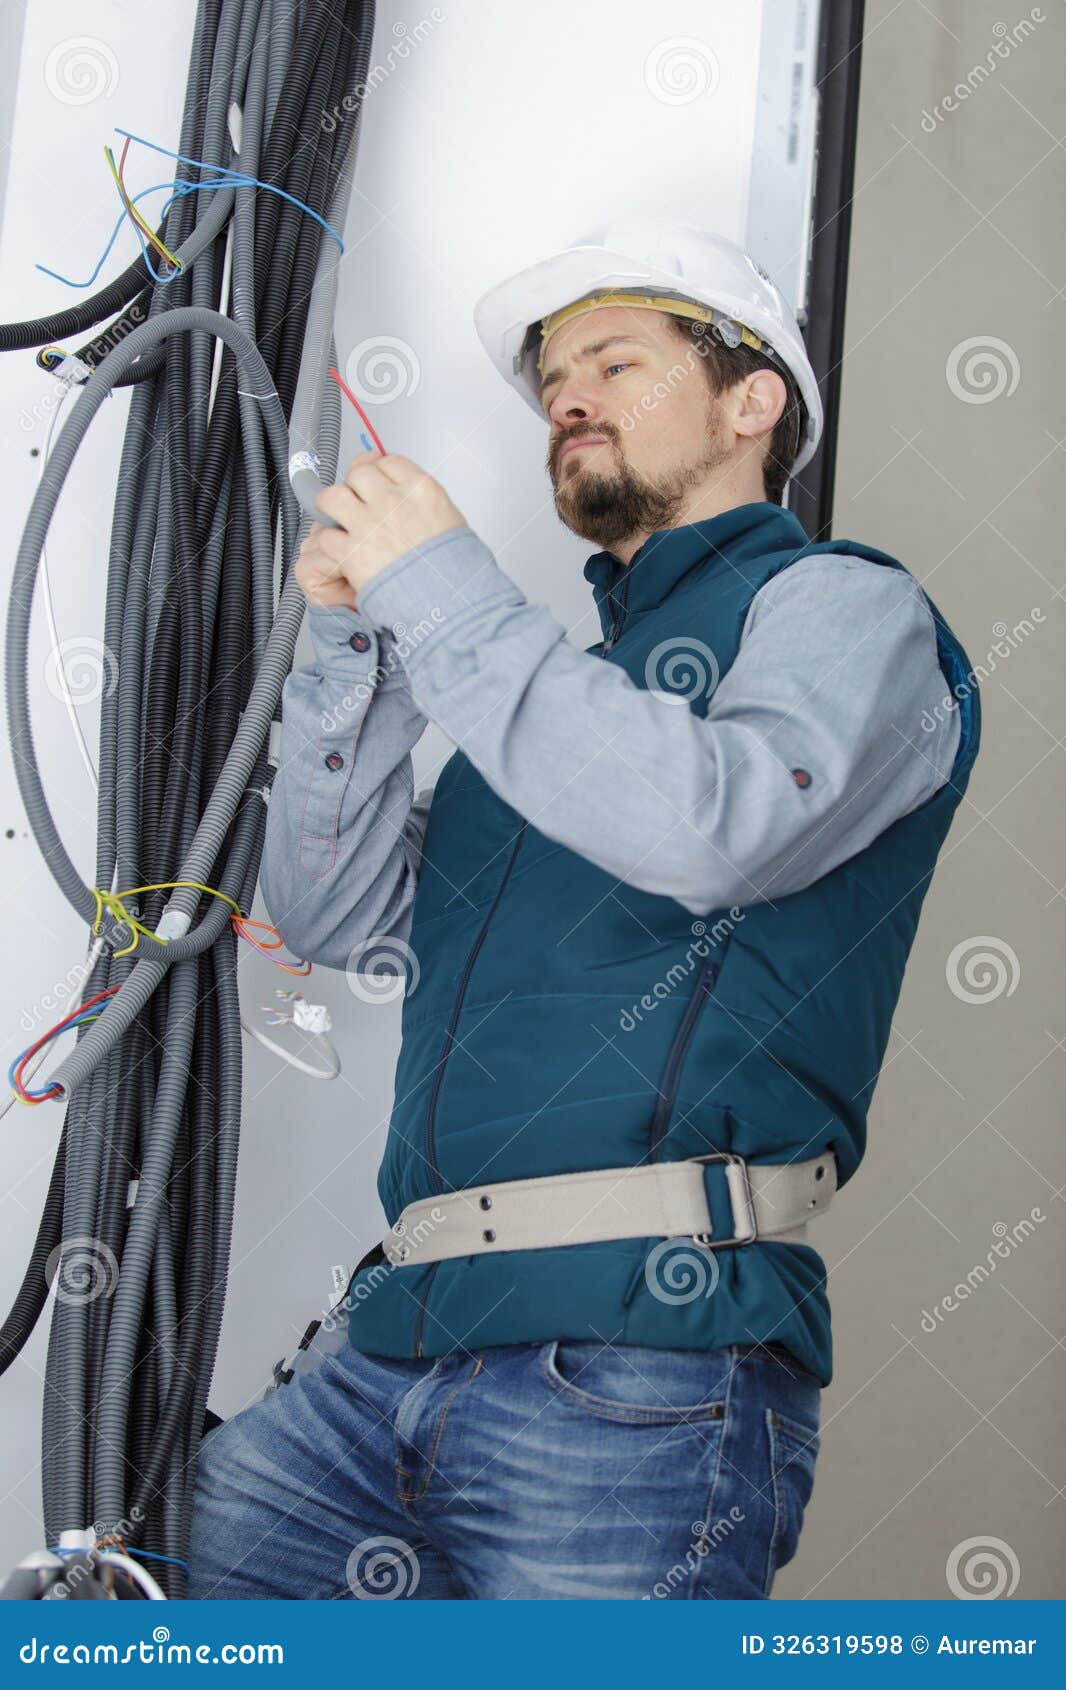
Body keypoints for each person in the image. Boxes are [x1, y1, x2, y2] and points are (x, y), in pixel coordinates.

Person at [187, 221, 981, 1600]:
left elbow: (711, 821)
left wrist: (439, 592)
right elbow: (334, 908)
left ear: (753, 404)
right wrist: (351, 646)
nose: (567, 396)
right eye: (553, 378)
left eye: (614, 359)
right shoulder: (542, 721)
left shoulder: (846, 610)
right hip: (386, 1353)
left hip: (641, 1369)